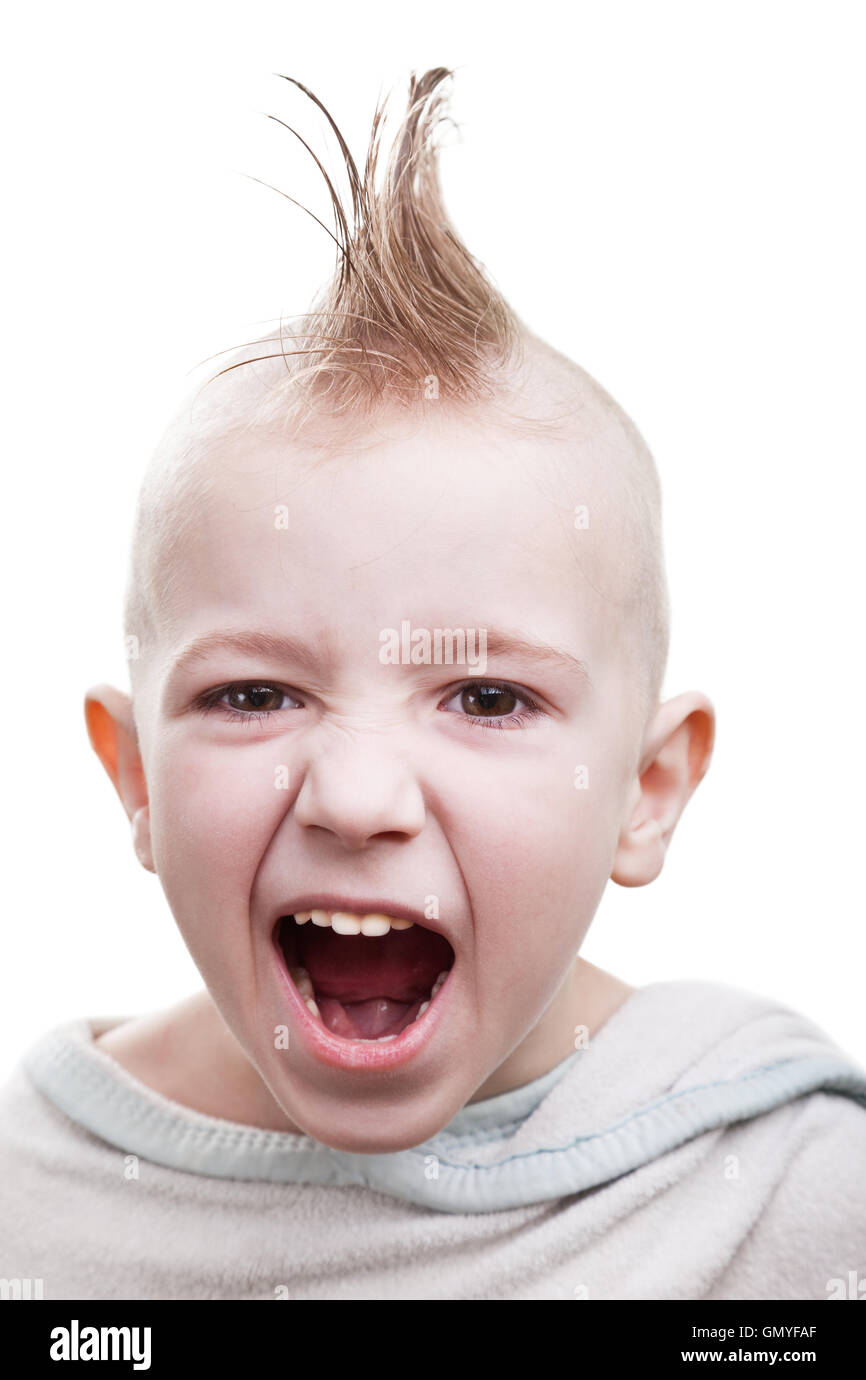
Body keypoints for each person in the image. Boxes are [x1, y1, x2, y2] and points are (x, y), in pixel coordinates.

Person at [1, 67, 864, 1301]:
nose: (354, 798)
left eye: (486, 699)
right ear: (134, 774)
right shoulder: (32, 1207)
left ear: (646, 788)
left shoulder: (788, 1192)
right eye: (254, 695)